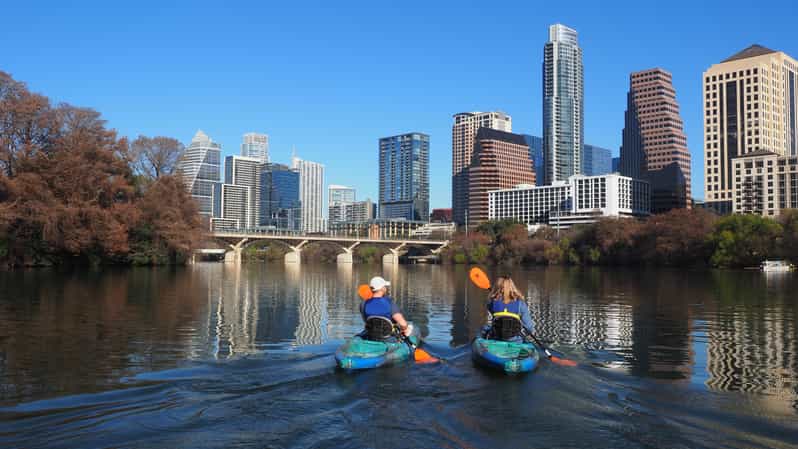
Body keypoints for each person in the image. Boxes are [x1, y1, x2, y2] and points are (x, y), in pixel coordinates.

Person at [359, 276, 413, 341]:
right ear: (382, 289)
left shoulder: (363, 304)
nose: (386, 288)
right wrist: (405, 329)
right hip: (388, 337)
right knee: (409, 327)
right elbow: (403, 324)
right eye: (385, 286)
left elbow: (366, 321)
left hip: (371, 335)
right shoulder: (389, 303)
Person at [482, 276, 534, 343]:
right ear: (512, 287)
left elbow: (493, 312)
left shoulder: (491, 303)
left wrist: (493, 294)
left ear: (498, 288)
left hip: (496, 337)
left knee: (484, 328)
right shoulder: (521, 304)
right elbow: (529, 327)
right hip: (515, 340)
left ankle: (483, 342)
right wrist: (523, 334)